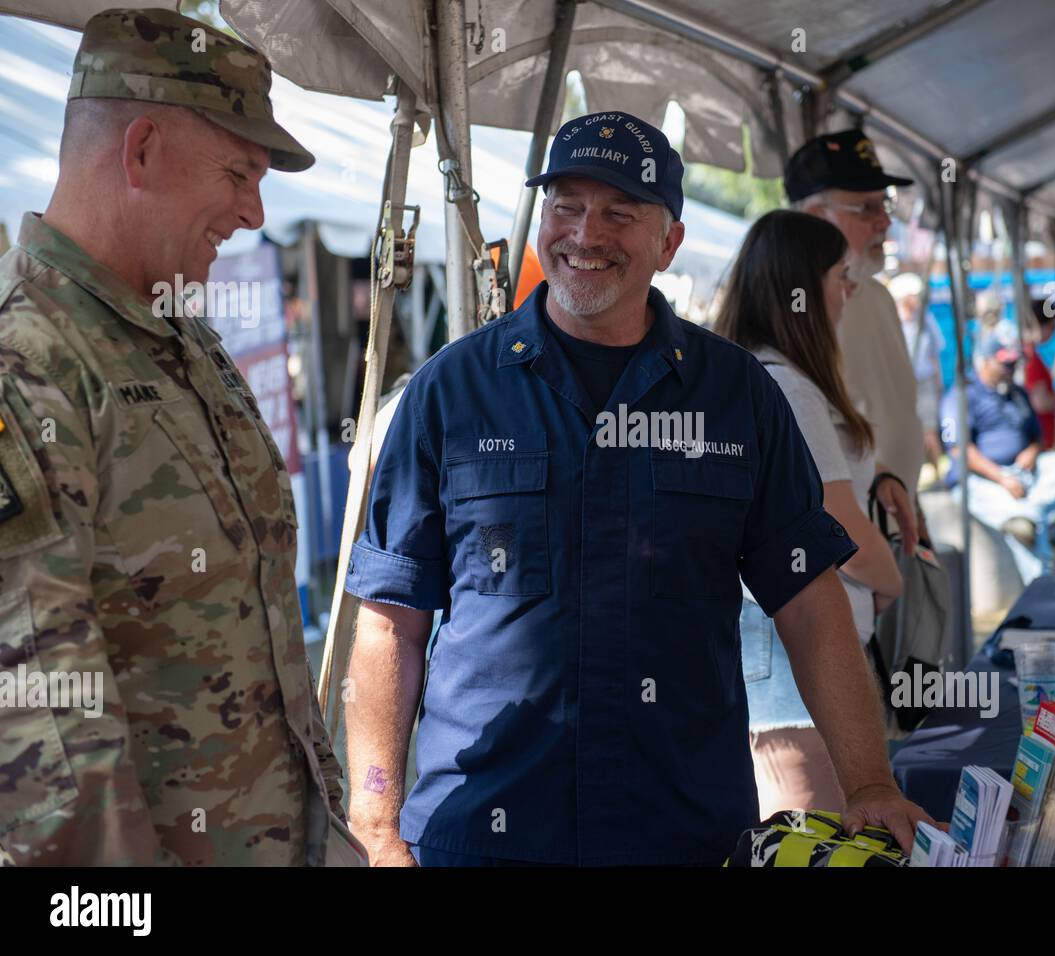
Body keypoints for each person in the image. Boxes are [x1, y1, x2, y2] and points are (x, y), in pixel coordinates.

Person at [341, 112, 934, 867]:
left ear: (669, 242)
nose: (586, 233)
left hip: (679, 831)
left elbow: (811, 603)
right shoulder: (451, 392)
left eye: (620, 212)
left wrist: (870, 783)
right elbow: (392, 617)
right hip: (485, 828)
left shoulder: (738, 396)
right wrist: (374, 820)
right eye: (565, 205)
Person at [0, 9, 352, 865]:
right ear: (142, 150)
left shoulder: (182, 339)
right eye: (237, 172)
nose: (253, 211)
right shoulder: (30, 366)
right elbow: (41, 726)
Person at [714, 210, 906, 817]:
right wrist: (893, 580)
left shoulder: (747, 373)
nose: (849, 292)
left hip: (778, 653)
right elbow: (835, 517)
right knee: (816, 840)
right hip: (796, 658)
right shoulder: (788, 386)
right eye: (841, 277)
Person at [783, 131, 928, 517]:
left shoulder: (879, 295)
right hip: (847, 548)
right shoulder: (790, 310)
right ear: (815, 217)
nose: (884, 222)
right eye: (865, 208)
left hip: (899, 521)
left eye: (885, 205)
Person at [940, 337, 1055, 584]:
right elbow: (959, 450)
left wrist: (1033, 451)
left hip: (1023, 473)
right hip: (982, 479)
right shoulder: (962, 395)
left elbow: (1037, 437)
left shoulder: (1016, 392)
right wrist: (1001, 477)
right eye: (1005, 364)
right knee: (1021, 527)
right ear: (984, 363)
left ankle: (1029, 513)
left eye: (1014, 363)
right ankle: (1041, 582)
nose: (1012, 368)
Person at [892, 272, 945, 473]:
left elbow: (934, 355)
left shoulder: (926, 319)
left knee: (929, 428)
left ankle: (938, 469)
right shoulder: (894, 320)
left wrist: (938, 383)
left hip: (925, 381)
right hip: (903, 384)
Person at [1022, 297, 1055, 450]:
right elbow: (1041, 402)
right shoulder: (1031, 360)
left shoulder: (1027, 355)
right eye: (1053, 326)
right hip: (1039, 441)